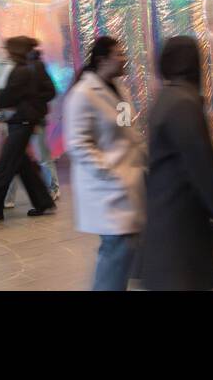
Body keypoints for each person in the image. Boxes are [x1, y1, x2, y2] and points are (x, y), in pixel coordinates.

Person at [140, 35, 213, 291]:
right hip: (180, 228)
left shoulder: (165, 98)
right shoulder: (184, 103)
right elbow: (201, 171)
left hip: (166, 221)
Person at [64, 36, 145, 290]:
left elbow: (127, 131)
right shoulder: (83, 94)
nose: (124, 59)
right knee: (116, 251)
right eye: (118, 54)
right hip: (106, 188)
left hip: (126, 181)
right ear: (102, 60)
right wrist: (110, 173)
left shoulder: (119, 88)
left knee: (122, 251)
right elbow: (77, 143)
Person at [0, 36, 57, 224]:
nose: (6, 52)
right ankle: (43, 202)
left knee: (5, 167)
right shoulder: (23, 66)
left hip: (22, 121)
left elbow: (7, 97)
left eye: (8, 49)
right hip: (19, 121)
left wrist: (26, 102)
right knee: (23, 165)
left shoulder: (26, 69)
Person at [5, 43, 60, 206]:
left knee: (41, 156)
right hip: (17, 120)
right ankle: (8, 197)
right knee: (14, 158)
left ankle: (53, 189)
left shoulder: (36, 66)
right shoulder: (13, 68)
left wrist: (33, 101)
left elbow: (51, 91)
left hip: (34, 120)